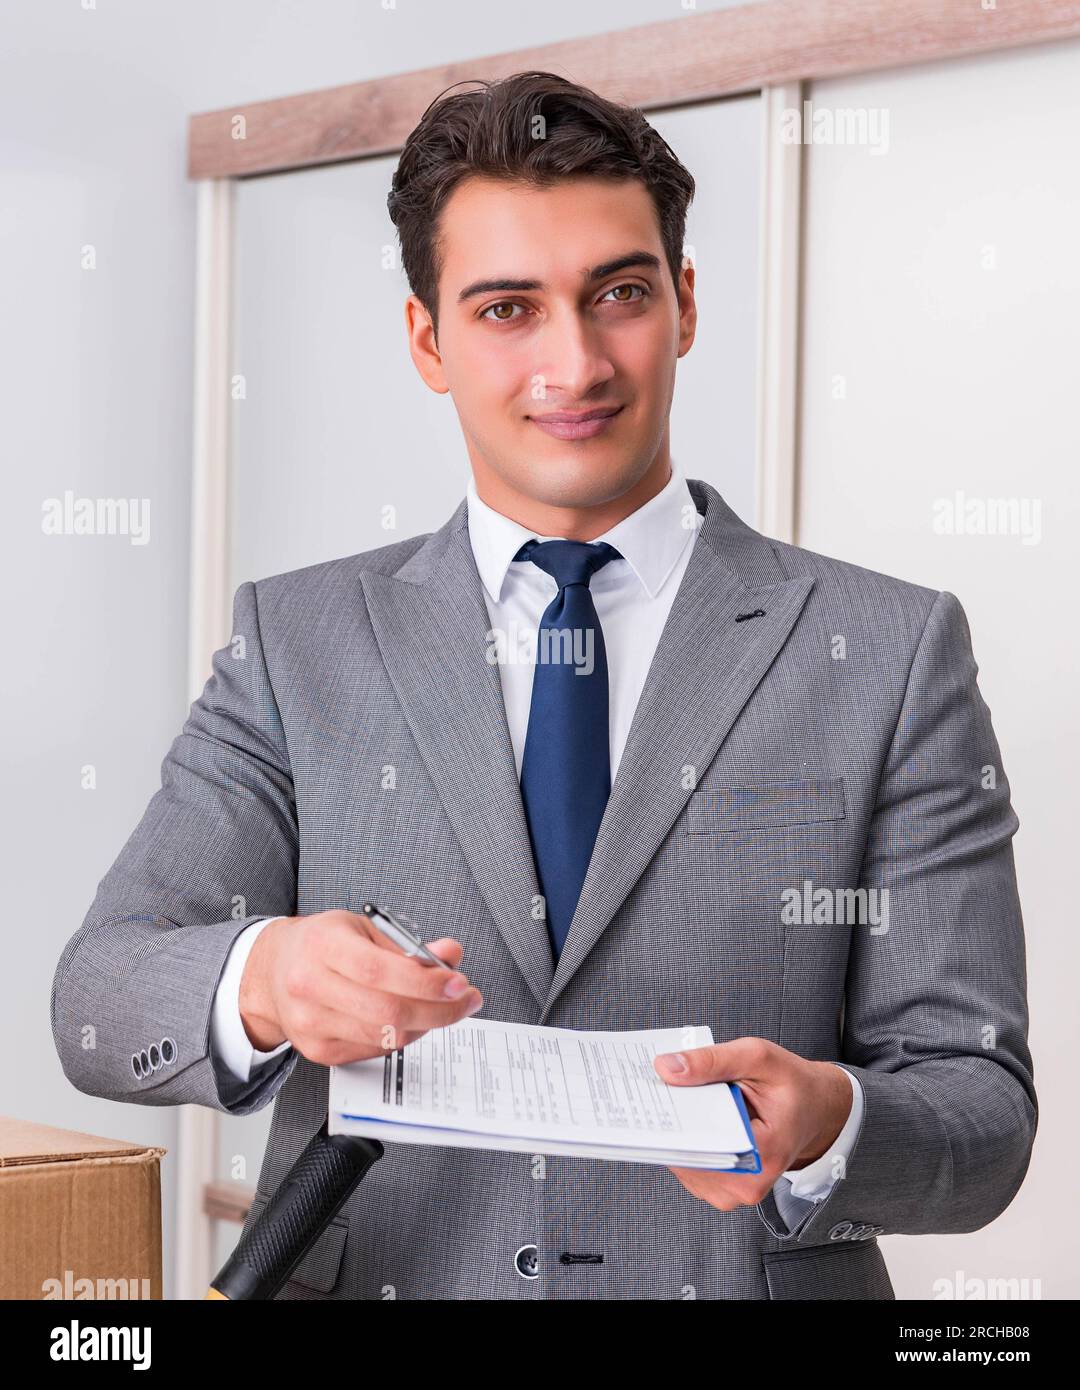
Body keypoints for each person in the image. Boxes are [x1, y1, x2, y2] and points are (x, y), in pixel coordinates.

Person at [51, 70, 1036, 1300]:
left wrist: (832, 1115)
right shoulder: (297, 642)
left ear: (682, 303)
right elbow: (96, 997)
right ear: (429, 341)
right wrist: (264, 977)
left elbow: (980, 1108)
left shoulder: (890, 648)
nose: (574, 364)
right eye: (508, 308)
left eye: (617, 294)